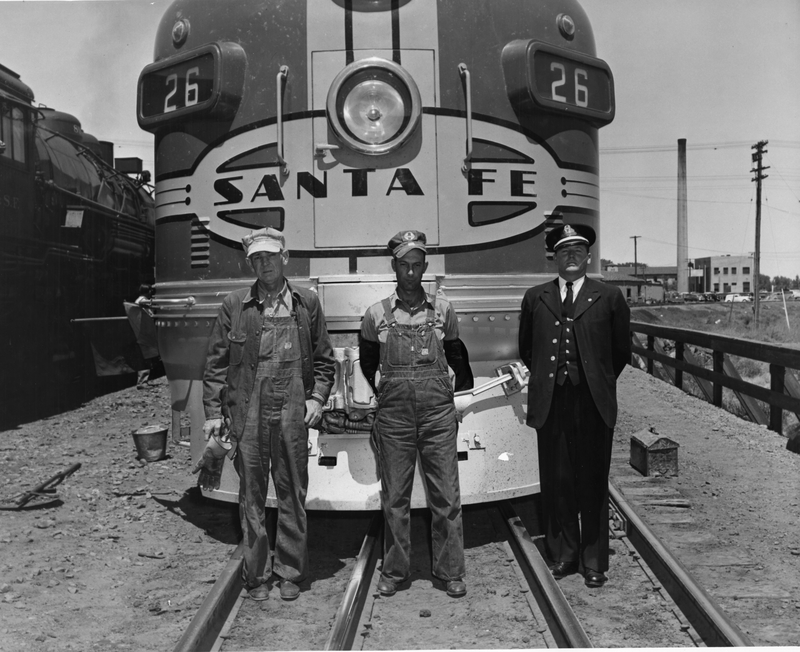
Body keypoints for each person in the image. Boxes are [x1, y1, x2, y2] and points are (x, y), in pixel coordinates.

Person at [199, 227, 336, 602]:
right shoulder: (234, 306)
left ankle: (290, 571)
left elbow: (325, 361)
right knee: (252, 495)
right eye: (257, 258)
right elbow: (215, 365)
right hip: (248, 410)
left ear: (284, 257)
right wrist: (214, 413)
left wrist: (317, 399)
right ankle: (257, 575)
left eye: (270, 256)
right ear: (251, 263)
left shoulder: (307, 304)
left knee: (292, 490)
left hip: (293, 408)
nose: (265, 264)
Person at [359, 230, 473, 599]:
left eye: (417, 265)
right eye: (404, 265)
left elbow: (456, 357)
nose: (411, 272)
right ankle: (394, 571)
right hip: (394, 419)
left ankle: (451, 571)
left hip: (437, 416)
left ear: (425, 267)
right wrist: (390, 396)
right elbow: (368, 363)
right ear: (394, 267)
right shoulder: (375, 314)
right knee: (395, 498)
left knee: (446, 497)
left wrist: (446, 398)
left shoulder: (443, 310)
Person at [518, 224, 630, 588]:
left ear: (588, 256)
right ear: (554, 256)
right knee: (558, 479)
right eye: (564, 250)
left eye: (578, 250)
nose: (571, 256)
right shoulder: (536, 297)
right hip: (552, 401)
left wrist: (593, 378)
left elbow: (620, 353)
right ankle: (563, 554)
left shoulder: (609, 297)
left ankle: (594, 560)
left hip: (592, 402)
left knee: (593, 481)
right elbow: (528, 349)